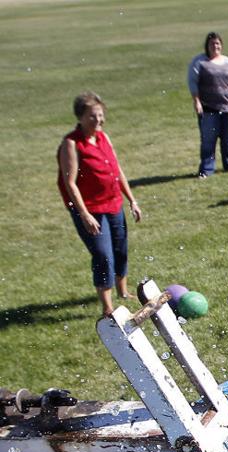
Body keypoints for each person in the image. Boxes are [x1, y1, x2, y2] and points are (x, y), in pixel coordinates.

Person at [57, 91, 143, 317]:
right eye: (92, 116)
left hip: (113, 203)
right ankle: (108, 308)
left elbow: (117, 170)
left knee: (120, 249)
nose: (98, 120)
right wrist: (84, 214)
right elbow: (69, 183)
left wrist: (132, 200)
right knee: (103, 255)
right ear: (80, 117)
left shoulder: (103, 137)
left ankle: (123, 291)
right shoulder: (71, 144)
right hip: (90, 209)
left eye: (100, 115)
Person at [187, 31, 228, 178]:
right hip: (209, 109)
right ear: (207, 46)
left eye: (217, 43)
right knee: (208, 141)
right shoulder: (199, 62)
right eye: (212, 43)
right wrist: (197, 101)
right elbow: (192, 83)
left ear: (221, 45)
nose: (215, 46)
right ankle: (207, 170)